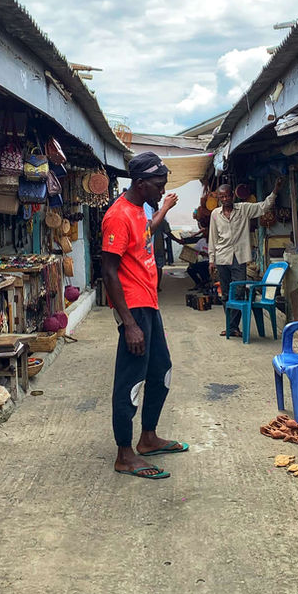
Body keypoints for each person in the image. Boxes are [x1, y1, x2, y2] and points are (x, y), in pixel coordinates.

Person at [101, 152, 188, 480]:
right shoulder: (117, 216)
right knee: (131, 380)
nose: (161, 190)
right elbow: (108, 272)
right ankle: (125, 454)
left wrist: (163, 210)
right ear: (139, 183)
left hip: (148, 303)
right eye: (158, 185)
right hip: (133, 308)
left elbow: (145, 236)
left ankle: (148, 438)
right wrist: (129, 323)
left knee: (160, 372)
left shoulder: (140, 210)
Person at [208, 178, 283, 338]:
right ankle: (231, 327)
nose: (225, 199)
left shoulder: (243, 209)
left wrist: (275, 191)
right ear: (219, 198)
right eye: (222, 197)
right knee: (226, 294)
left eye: (227, 196)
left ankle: (233, 327)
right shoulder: (215, 214)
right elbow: (212, 238)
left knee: (239, 291)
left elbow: (263, 206)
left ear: (232, 196)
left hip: (239, 258)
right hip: (222, 257)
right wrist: (211, 259)